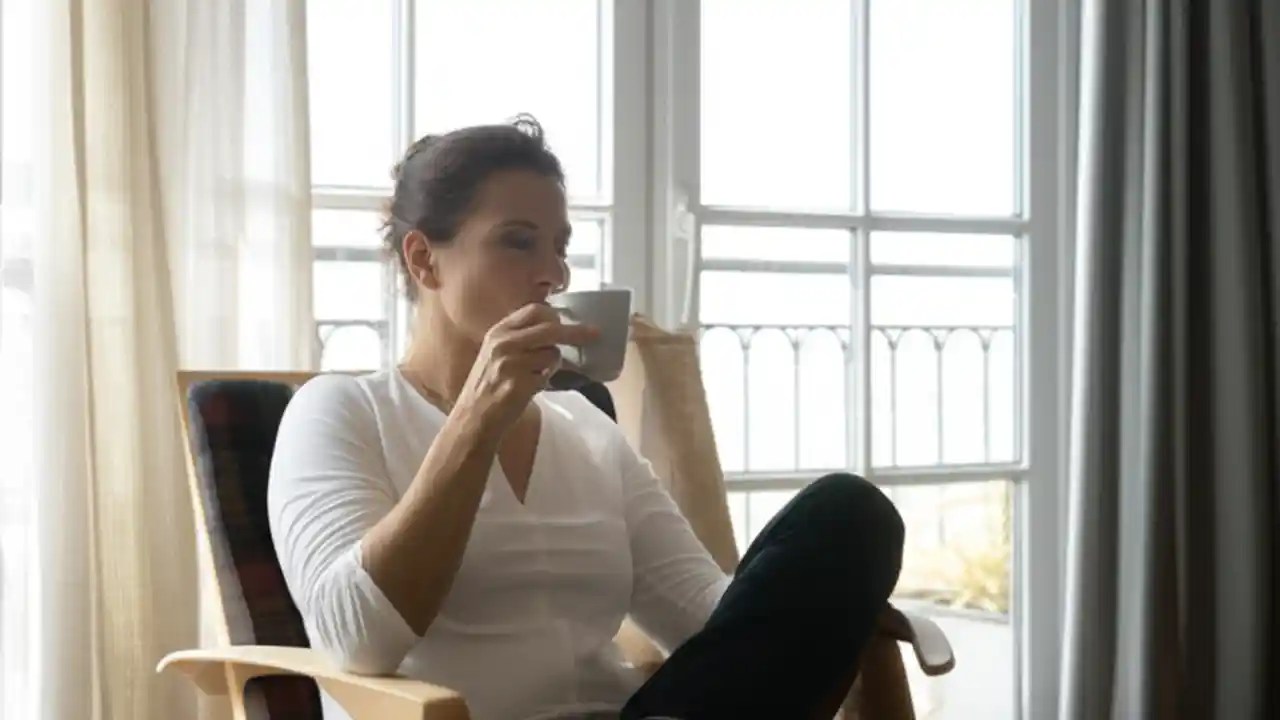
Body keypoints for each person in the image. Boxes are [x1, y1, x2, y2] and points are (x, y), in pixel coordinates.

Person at [267, 116, 906, 720]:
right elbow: (355, 640)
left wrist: (828, 598)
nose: (552, 273)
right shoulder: (339, 410)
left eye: (560, 247)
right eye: (518, 241)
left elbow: (708, 619)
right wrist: (476, 419)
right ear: (423, 259)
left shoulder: (585, 427)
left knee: (850, 512)